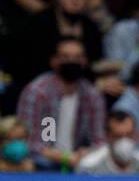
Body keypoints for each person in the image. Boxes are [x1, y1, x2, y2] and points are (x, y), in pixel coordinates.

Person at [16, 37, 106, 171]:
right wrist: (63, 157)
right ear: (54, 61)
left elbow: (99, 140)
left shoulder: (92, 96)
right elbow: (29, 141)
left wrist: (88, 152)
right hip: (43, 160)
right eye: (65, 56)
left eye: (78, 57)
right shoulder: (38, 93)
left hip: (79, 162)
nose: (72, 61)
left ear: (85, 61)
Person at [76, 109, 139, 174]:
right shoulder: (89, 168)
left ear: (136, 136)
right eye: (118, 137)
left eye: (129, 136)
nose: (124, 142)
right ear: (107, 137)